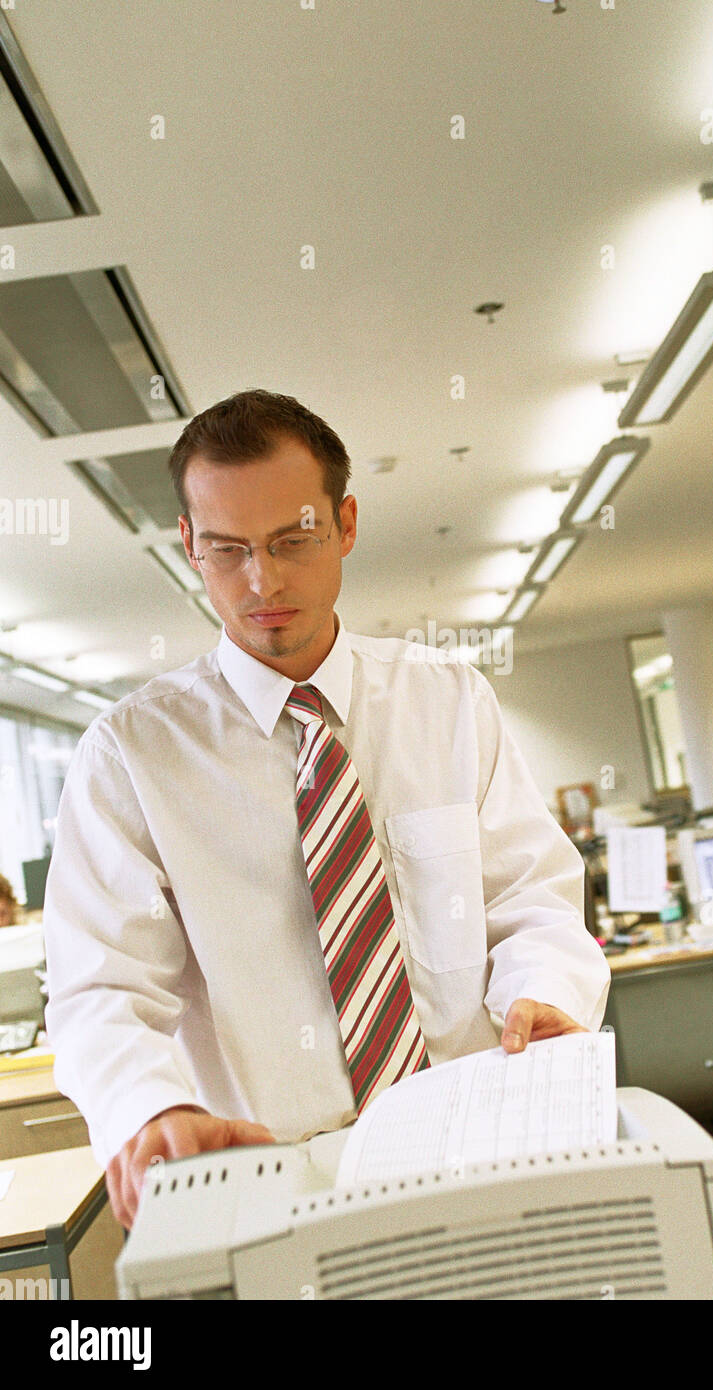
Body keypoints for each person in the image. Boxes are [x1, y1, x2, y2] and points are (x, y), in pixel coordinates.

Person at [43, 389, 611, 1229]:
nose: (261, 580)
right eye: (227, 549)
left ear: (345, 524)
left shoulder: (447, 700)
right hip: (275, 1185)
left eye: (292, 540)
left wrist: (548, 990)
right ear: (189, 546)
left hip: (479, 1146)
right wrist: (147, 1110)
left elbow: (530, 898)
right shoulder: (131, 756)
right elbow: (100, 986)